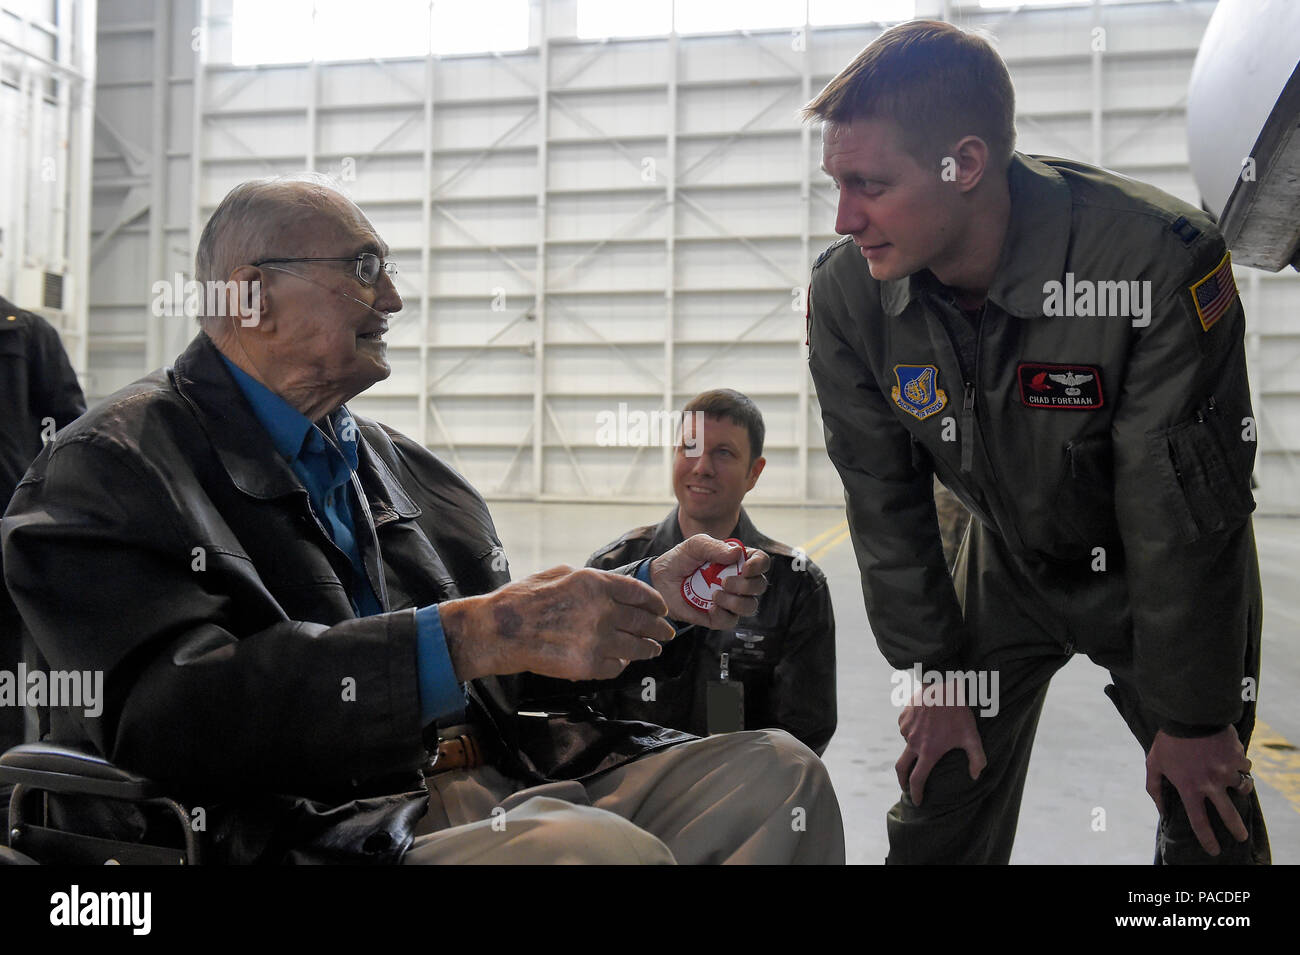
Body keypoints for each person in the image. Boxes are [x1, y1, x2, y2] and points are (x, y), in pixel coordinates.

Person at [1, 175, 845, 865]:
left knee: (777, 774)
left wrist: (641, 595)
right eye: (365, 268)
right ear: (252, 297)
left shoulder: (408, 469)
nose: (394, 297)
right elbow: (172, 717)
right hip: (311, 827)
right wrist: (463, 638)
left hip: (489, 787)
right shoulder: (110, 469)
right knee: (587, 852)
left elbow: (507, 662)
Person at [804, 20, 1268, 864]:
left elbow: (1177, 511)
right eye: (836, 183)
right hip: (1004, 562)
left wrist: (1196, 714)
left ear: (967, 164)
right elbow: (883, 499)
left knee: (1209, 816)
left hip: (1152, 571)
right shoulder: (850, 298)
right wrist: (935, 671)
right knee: (937, 798)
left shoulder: (1156, 266)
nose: (845, 217)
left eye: (869, 183)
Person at [584, 389, 836, 755]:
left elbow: (804, 733)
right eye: (689, 447)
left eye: (724, 452)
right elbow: (584, 709)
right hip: (630, 795)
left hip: (742, 798)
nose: (702, 466)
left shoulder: (796, 586)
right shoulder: (612, 570)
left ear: (754, 472)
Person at [0, 294, 86, 839]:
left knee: (11, 680)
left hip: (9, 546)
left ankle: (12, 805)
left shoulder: (24, 335)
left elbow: (71, 441)